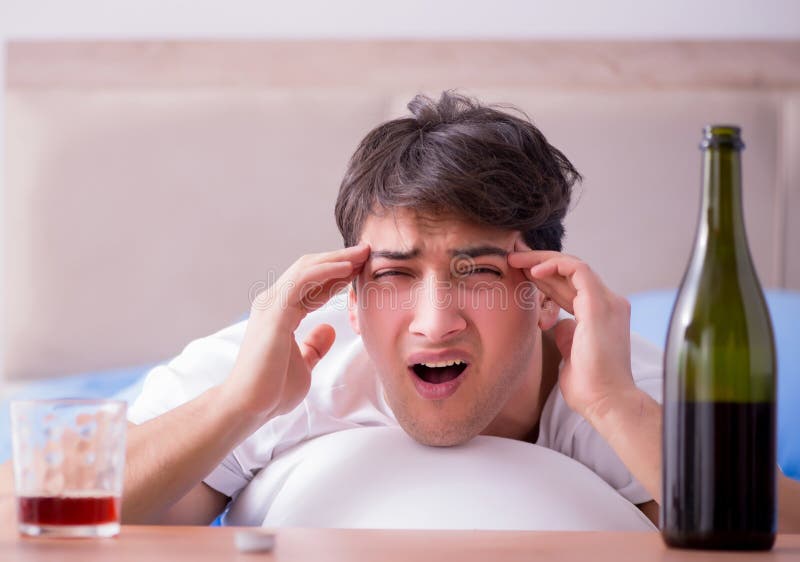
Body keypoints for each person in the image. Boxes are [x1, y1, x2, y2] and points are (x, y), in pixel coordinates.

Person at [2, 92, 798, 530]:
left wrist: (615, 405)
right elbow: (23, 513)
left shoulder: (612, 385)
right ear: (351, 291)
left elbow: (781, 532)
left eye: (477, 270)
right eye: (394, 275)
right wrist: (240, 404)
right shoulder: (284, 364)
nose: (434, 320)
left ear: (543, 288)